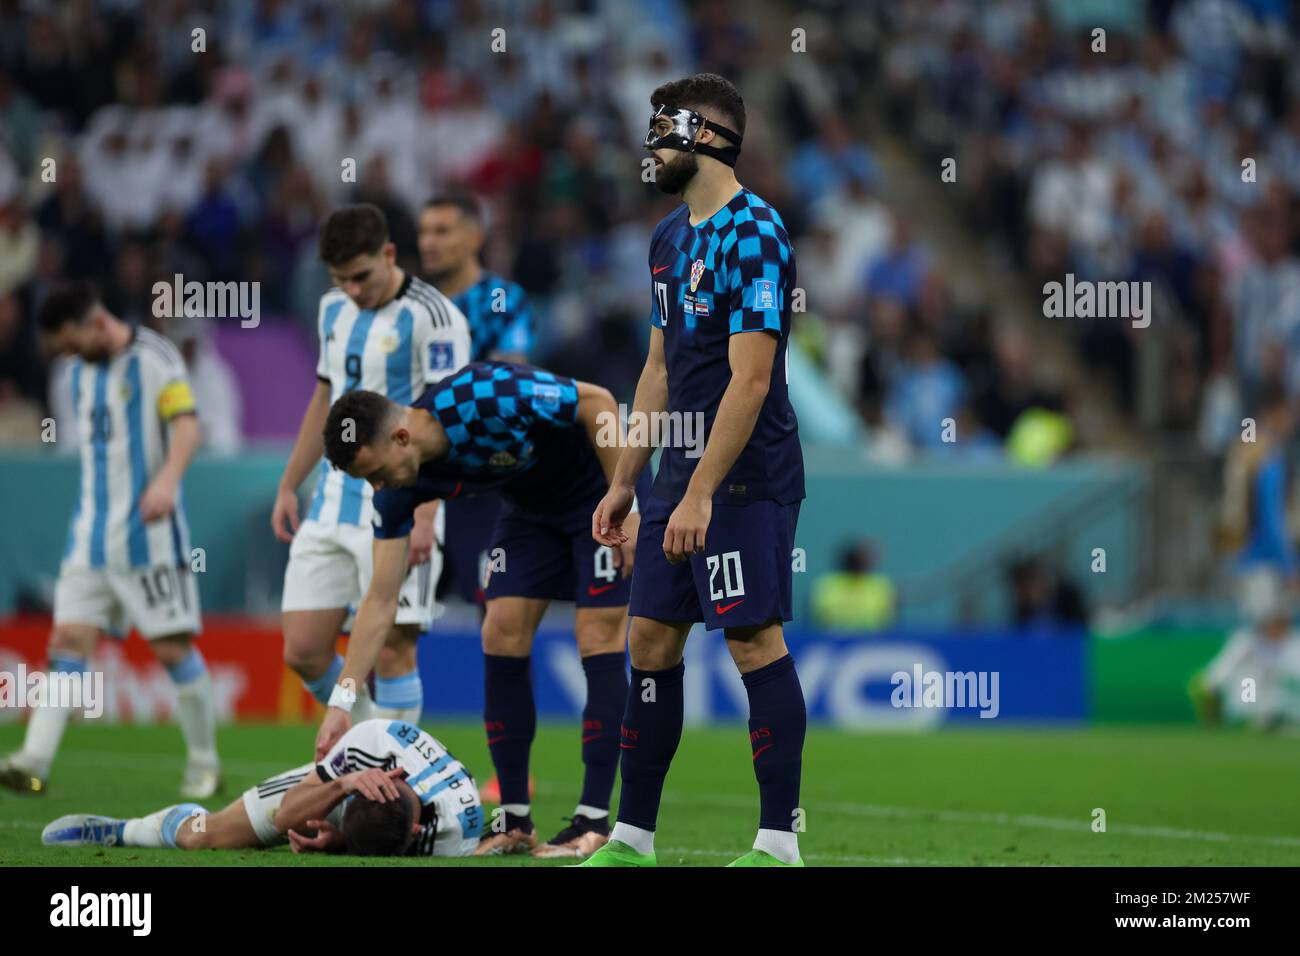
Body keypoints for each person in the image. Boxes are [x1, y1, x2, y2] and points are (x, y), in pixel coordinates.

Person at [587, 74, 807, 866]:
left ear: (706, 137)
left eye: (661, 133)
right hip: (677, 476)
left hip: (745, 479)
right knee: (648, 642)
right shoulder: (670, 237)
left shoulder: (755, 234)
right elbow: (656, 371)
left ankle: (779, 843)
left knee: (752, 642)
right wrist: (624, 480)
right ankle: (631, 837)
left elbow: (750, 380)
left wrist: (703, 493)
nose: (650, 149)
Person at [317, 361, 648, 858]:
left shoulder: (483, 395)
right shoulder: (398, 492)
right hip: (528, 513)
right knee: (501, 632)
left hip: (596, 498)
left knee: (598, 637)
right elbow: (381, 598)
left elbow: (597, 399)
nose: (379, 489)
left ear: (402, 437)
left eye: (378, 474)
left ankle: (593, 821)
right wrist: (341, 703)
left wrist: (627, 504)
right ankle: (514, 820)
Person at [0, 280, 219, 798]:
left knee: (171, 648)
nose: (70, 356)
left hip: (151, 538)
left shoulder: (156, 358)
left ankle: (205, 764)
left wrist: (167, 480)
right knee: (67, 643)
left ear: (96, 323)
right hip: (90, 537)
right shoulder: (76, 372)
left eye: (73, 343)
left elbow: (187, 426)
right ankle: (34, 762)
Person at [271, 204, 470, 726]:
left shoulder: (436, 317)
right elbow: (324, 398)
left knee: (393, 648)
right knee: (304, 649)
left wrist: (427, 514)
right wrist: (290, 483)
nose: (353, 290)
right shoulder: (332, 309)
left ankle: (396, 781)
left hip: (402, 501)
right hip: (333, 501)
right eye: (341, 279)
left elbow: (448, 421)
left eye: (361, 276)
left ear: (388, 254)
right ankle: (373, 748)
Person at [420, 192, 538, 804]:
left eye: (443, 230)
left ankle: (509, 774)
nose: (430, 241)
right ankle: (385, 752)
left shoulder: (502, 301)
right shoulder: (409, 306)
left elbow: (511, 380)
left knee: (501, 622)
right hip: (413, 480)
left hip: (480, 491)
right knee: (388, 613)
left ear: (474, 236)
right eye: (424, 231)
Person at [41, 718, 482, 858]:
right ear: (394, 777)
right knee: (205, 837)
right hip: (340, 778)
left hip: (376, 814)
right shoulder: (369, 742)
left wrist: (340, 844)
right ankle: (123, 829)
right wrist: (344, 782)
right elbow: (288, 815)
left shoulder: (460, 836)